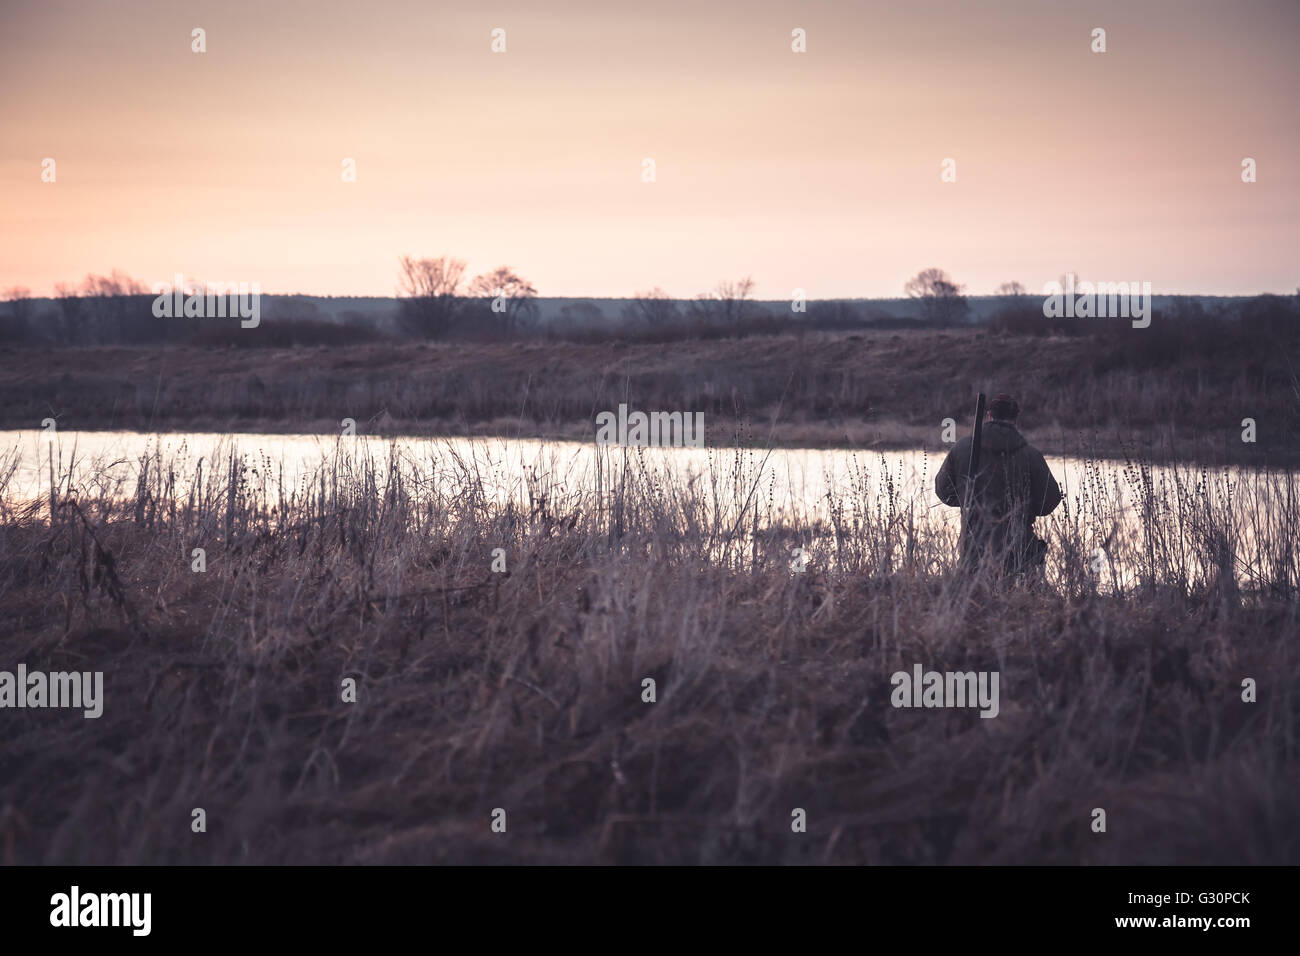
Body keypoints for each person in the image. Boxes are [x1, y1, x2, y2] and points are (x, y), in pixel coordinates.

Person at [935, 393, 1062, 577]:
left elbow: (943, 490)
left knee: (974, 600)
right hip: (1018, 548)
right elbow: (1048, 502)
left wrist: (968, 500)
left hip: (972, 547)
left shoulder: (962, 448)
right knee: (1016, 602)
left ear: (989, 415)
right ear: (1016, 419)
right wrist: (1022, 507)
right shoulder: (1031, 455)